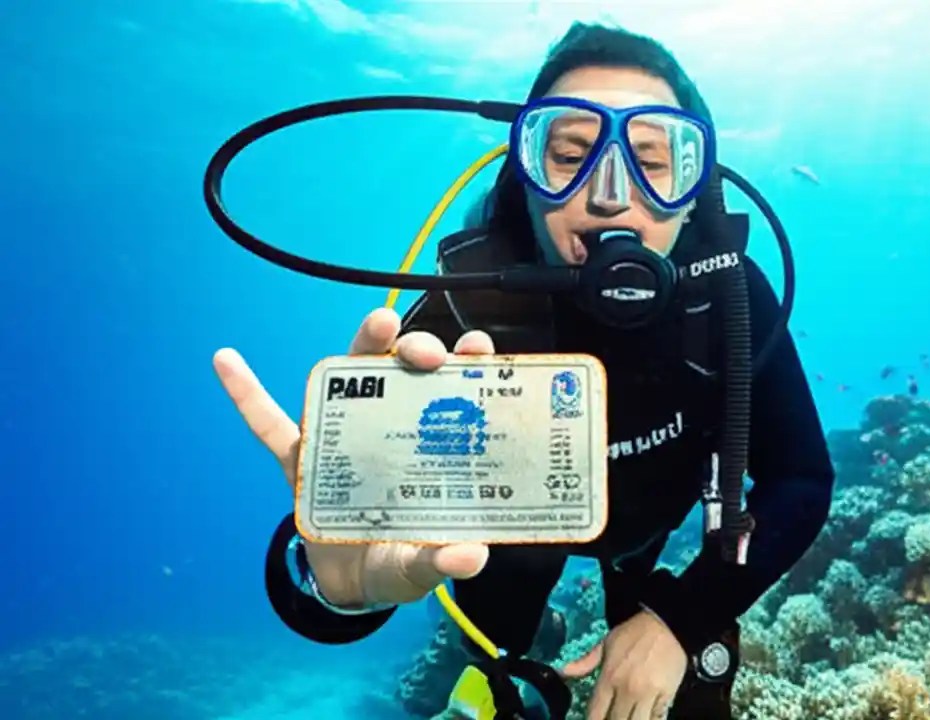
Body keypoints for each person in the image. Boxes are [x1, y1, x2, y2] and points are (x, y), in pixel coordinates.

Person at [214, 21, 834, 720]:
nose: (611, 193)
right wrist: (336, 585)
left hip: (654, 523)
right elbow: (338, 560)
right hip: (512, 552)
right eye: (569, 153)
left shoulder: (727, 297)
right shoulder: (465, 312)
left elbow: (802, 479)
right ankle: (500, 661)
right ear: (526, 174)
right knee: (501, 639)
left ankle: (625, 590)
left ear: (694, 190)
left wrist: (682, 618)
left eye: (654, 161)